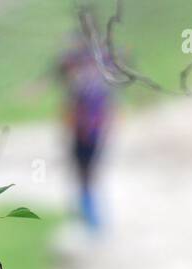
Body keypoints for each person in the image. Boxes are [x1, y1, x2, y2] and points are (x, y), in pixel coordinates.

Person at [56, 30, 113, 232]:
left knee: (87, 171)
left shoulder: (95, 74)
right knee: (82, 171)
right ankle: (86, 210)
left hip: (91, 131)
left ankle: (90, 212)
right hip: (81, 130)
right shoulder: (80, 72)